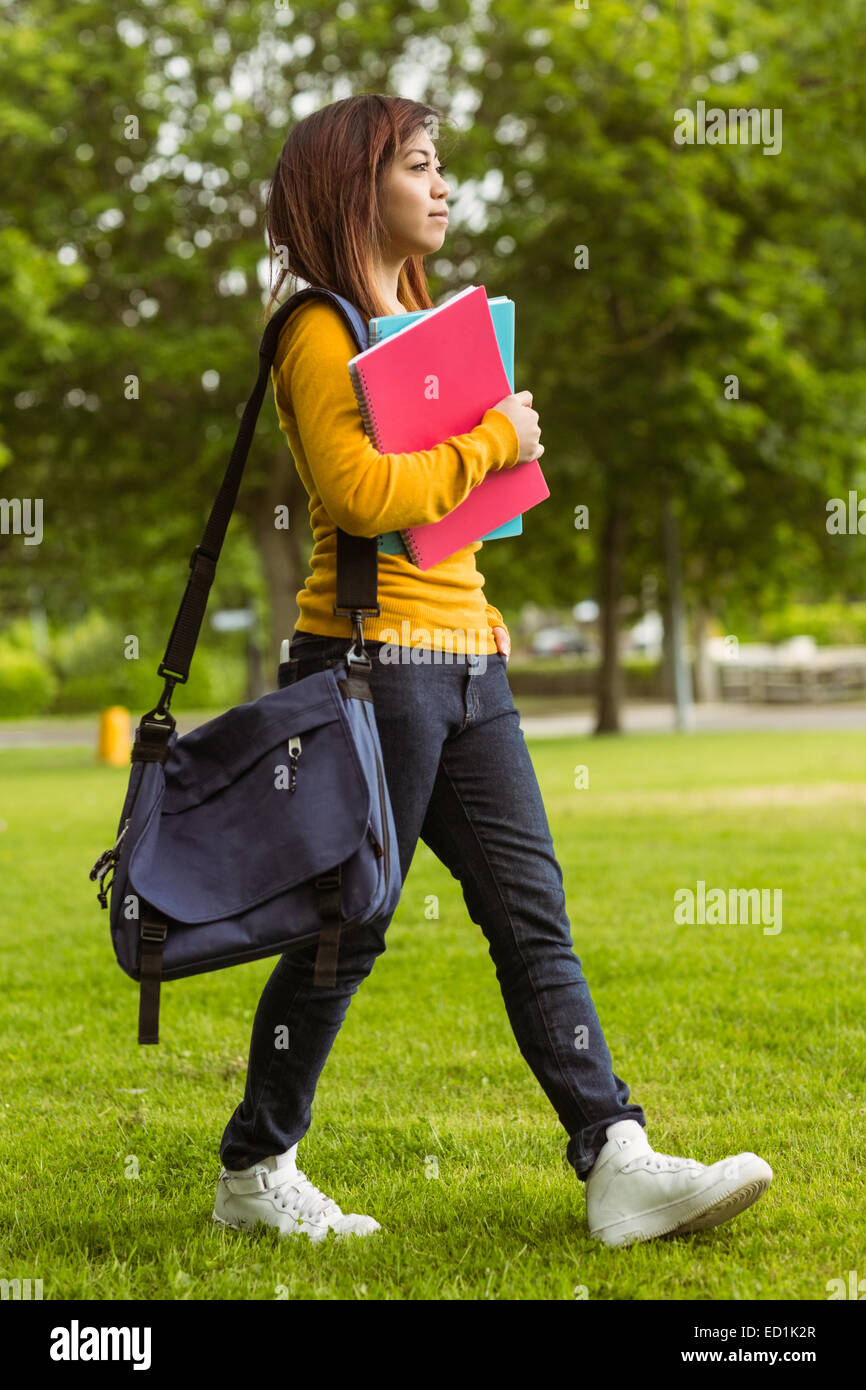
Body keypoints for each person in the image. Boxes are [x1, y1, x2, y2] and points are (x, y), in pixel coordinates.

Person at [214, 94, 772, 1249]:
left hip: (466, 660)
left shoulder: (424, 320)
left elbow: (444, 514)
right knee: (348, 922)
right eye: (418, 166)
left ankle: (614, 1156)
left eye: (440, 165)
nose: (441, 186)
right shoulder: (315, 325)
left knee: (530, 913)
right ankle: (255, 1168)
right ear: (353, 185)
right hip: (367, 666)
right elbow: (358, 492)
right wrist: (492, 442)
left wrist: (490, 523)